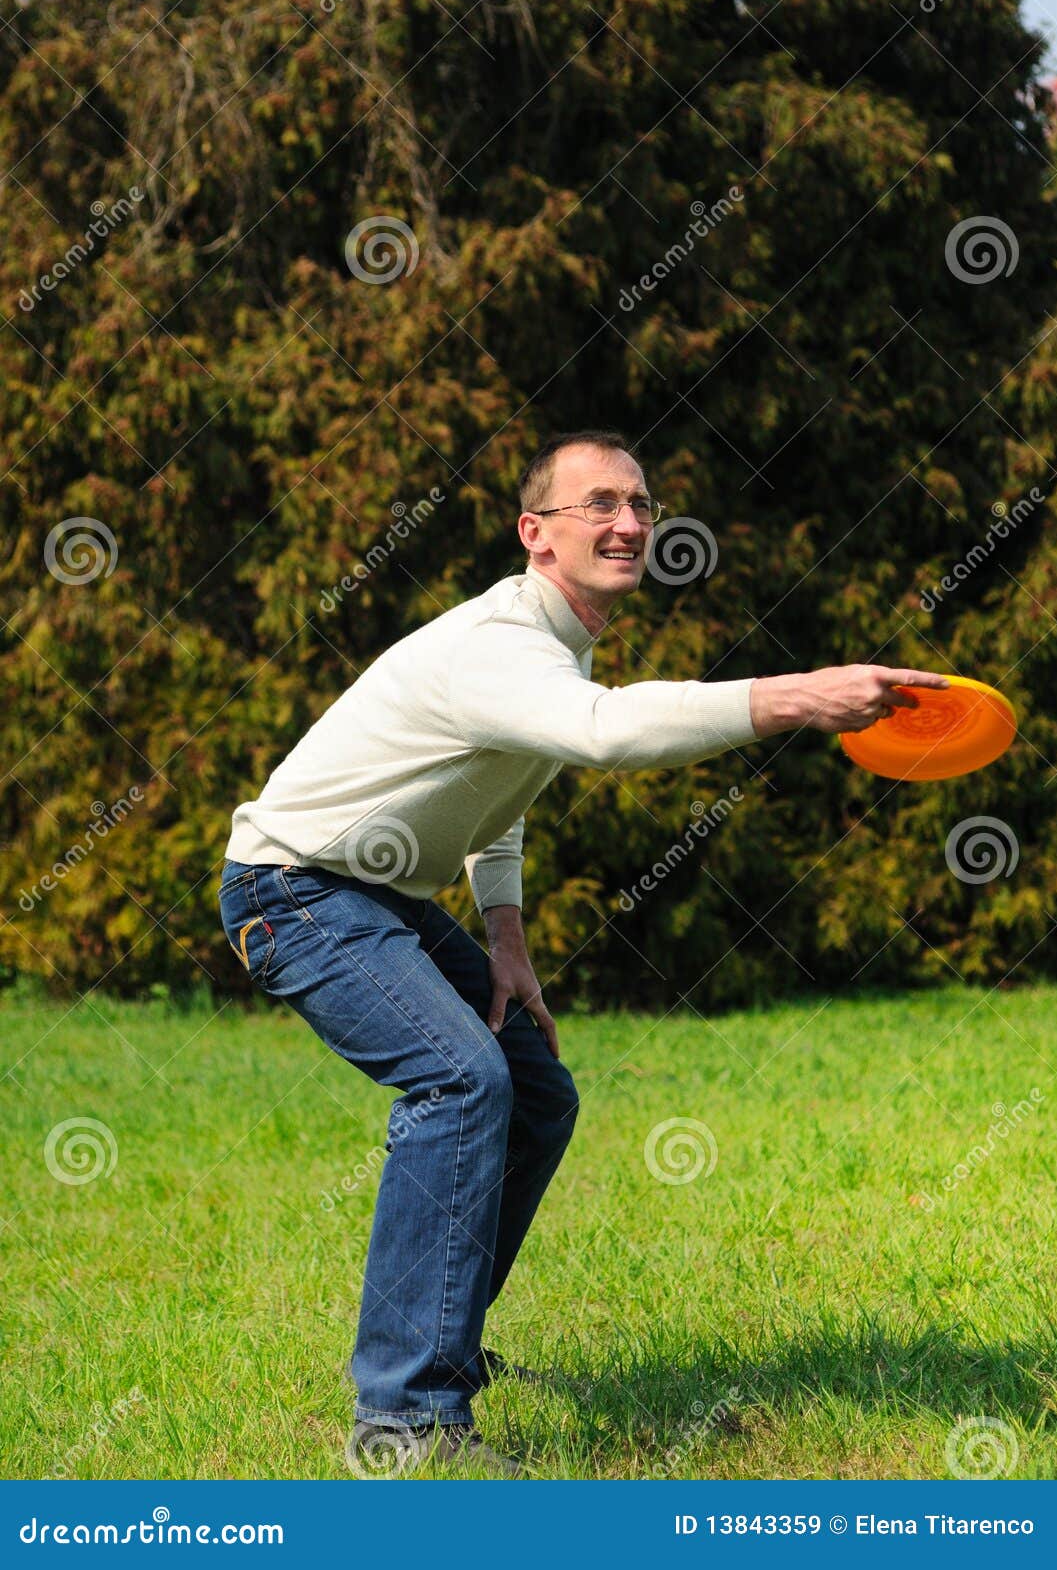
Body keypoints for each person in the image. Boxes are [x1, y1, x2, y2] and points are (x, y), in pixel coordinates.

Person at [217, 428, 949, 1477]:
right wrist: (797, 695)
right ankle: (405, 1413)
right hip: (294, 890)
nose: (629, 522)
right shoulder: (502, 642)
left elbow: (497, 796)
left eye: (642, 505)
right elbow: (601, 735)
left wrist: (505, 939)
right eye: (598, 503)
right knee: (458, 1078)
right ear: (535, 534)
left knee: (535, 1091)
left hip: (372, 893)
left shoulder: (551, 647)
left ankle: (440, 1341)